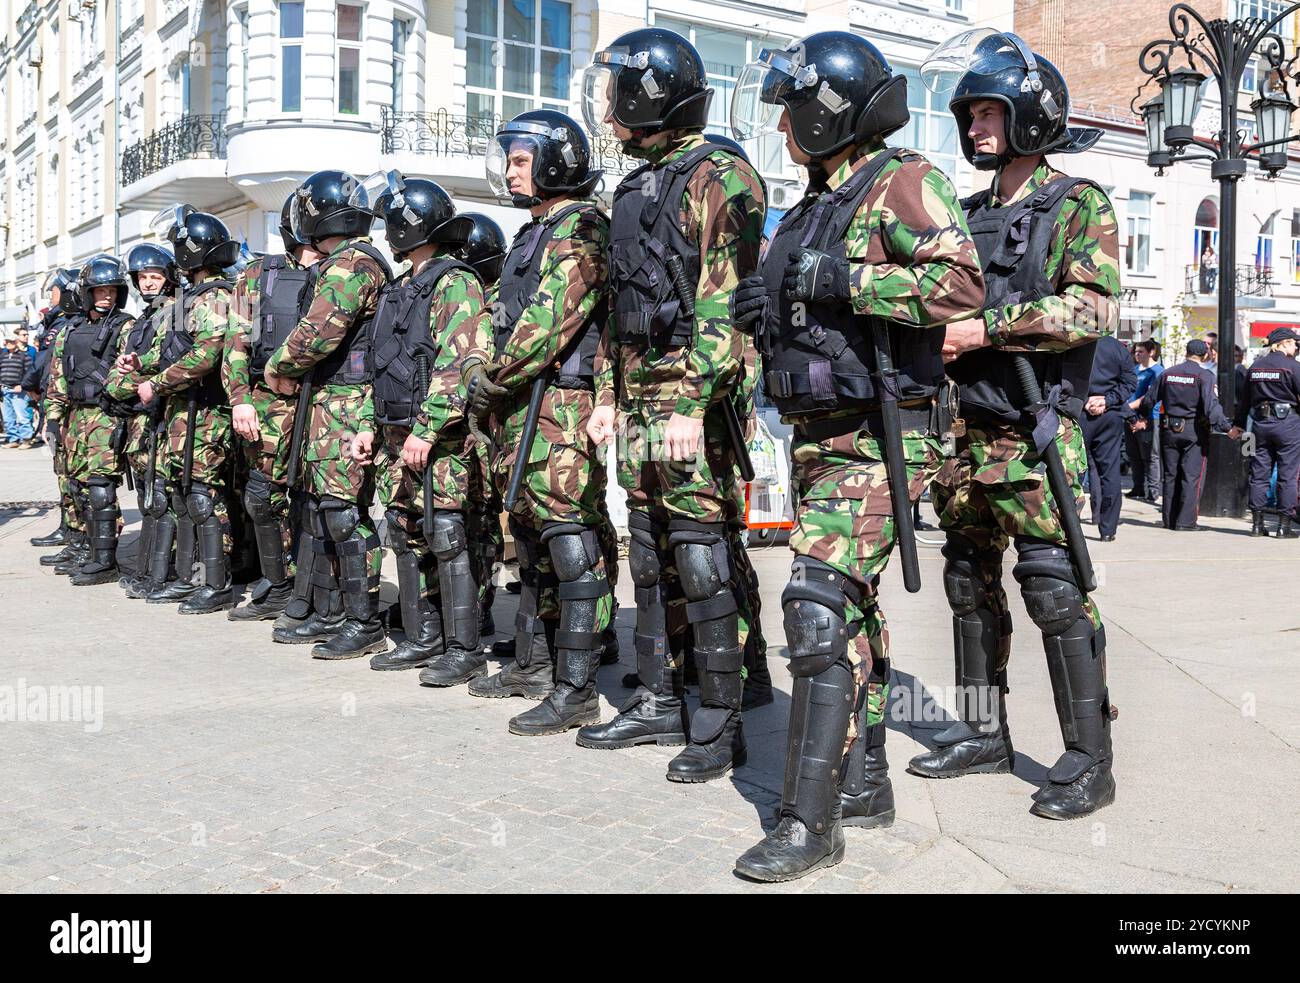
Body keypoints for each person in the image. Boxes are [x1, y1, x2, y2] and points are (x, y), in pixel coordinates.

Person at [726, 32, 984, 882]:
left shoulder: (902, 180)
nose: (782, 126)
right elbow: (801, 311)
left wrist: (847, 281)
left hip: (879, 432)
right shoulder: (807, 206)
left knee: (815, 607)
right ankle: (866, 780)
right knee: (853, 612)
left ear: (827, 108)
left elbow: (960, 287)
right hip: (814, 434)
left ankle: (810, 820)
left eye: (790, 110)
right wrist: (763, 308)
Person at [912, 28, 1122, 819]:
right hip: (964, 431)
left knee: (1054, 590)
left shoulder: (1077, 203)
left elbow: (1094, 305)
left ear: (1032, 114)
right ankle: (983, 731)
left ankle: (1088, 757)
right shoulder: (967, 214)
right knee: (967, 582)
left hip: (1035, 430)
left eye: (988, 112)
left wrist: (987, 329)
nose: (974, 128)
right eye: (969, 115)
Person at [574, 27, 766, 782]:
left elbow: (726, 303)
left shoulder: (720, 176)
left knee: (701, 553)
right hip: (639, 399)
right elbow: (619, 309)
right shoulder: (632, 187)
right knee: (650, 552)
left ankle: (720, 723)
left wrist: (691, 398)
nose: (604, 101)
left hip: (695, 397)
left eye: (614, 85)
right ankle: (659, 699)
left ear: (646, 94)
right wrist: (605, 396)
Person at [463, 110, 613, 734]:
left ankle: (578, 686)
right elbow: (492, 312)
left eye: (520, 160)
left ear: (555, 161)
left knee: (570, 541)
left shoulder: (583, 230)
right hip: (518, 405)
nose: (509, 170)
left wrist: (490, 374)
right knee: (531, 541)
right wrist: (476, 365)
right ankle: (540, 663)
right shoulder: (530, 234)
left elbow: (548, 323)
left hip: (561, 406)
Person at [354, 173, 491, 681]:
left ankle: (464, 649)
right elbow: (377, 366)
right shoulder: (399, 288)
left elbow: (460, 365)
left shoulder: (455, 282)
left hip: (440, 440)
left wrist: (428, 430)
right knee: (404, 532)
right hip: (395, 435)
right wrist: (370, 425)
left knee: (447, 534)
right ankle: (421, 637)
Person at [263, 170, 392, 659]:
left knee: (343, 514)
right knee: (321, 512)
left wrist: (279, 366)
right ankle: (333, 609)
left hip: (348, 403)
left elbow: (319, 332)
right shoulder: (347, 261)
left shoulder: (350, 265)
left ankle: (364, 621)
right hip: (330, 402)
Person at [132, 207, 242, 612]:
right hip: (181, 410)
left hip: (207, 410)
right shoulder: (190, 297)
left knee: (202, 496)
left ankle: (216, 583)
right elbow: (169, 350)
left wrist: (155, 383)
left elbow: (205, 356)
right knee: (182, 495)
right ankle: (187, 578)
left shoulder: (217, 296)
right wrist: (140, 367)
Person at [224, 194, 323, 623]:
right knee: (262, 497)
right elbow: (236, 340)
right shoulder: (257, 275)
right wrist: (240, 398)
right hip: (267, 402)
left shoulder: (340, 271)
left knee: (316, 502)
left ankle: (314, 589)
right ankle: (278, 582)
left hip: (323, 400)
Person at [43, 256, 136, 585]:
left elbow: (130, 370)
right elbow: (58, 378)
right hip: (74, 418)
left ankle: (105, 559)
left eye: (112, 290)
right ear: (86, 293)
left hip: (105, 417)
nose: (106, 296)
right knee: (77, 486)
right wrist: (53, 420)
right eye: (99, 290)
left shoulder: (126, 326)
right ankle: (84, 548)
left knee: (100, 488)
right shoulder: (69, 330)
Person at [103, 243, 182, 597]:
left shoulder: (175, 314)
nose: (148, 283)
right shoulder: (139, 322)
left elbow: (165, 368)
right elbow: (117, 374)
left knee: (162, 497)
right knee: (148, 500)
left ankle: (161, 574)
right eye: (143, 277)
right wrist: (124, 386)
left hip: (162, 420)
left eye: (155, 276)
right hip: (137, 425)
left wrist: (134, 383)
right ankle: (147, 570)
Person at [1138, 339, 1241, 530]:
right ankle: (1186, 522)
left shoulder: (1168, 373)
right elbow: (1212, 408)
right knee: (1192, 477)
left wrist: (1142, 419)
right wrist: (1228, 429)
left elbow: (1149, 399)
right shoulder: (1205, 376)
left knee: (1170, 475)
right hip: (1194, 431)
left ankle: (1169, 520)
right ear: (1204, 355)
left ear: (1186, 352)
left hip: (1169, 429)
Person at [31, 269, 84, 553]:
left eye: (54, 289)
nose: (51, 294)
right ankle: (69, 525)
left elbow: (45, 364)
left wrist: (30, 384)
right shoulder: (61, 323)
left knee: (70, 472)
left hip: (65, 409)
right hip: (56, 405)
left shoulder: (64, 325)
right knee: (63, 471)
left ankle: (74, 529)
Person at [1236, 327, 1300, 537]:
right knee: (1287, 475)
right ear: (1283, 343)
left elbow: (1244, 400)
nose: (1296, 346)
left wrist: (1238, 425)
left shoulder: (1255, 366)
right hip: (1288, 423)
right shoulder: (1292, 366)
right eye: (1293, 342)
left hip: (1259, 424)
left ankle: (1256, 524)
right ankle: (1284, 526)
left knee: (1259, 473)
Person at [1082, 334, 1136, 540]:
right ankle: (1108, 529)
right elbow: (1130, 382)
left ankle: (1068, 523)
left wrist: (1087, 401)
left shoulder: (1076, 343)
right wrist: (1107, 400)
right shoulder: (1117, 347)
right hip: (1110, 413)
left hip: (1081, 412)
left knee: (1073, 468)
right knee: (1110, 472)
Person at [1125, 339, 1163, 503]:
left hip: (1149, 418)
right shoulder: (1134, 370)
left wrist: (1141, 414)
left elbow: (1151, 397)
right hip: (1130, 416)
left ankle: (1153, 490)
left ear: (1151, 352)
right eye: (1135, 352)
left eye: (1141, 352)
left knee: (1150, 456)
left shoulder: (1158, 372)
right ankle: (1138, 487)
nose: (1137, 355)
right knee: (1134, 454)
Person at [1, 329, 35, 447]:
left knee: (22, 416)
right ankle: (13, 439)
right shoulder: (3, 356)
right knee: (8, 417)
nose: (8, 344)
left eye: (10, 341)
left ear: (16, 342)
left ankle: (26, 439)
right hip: (4, 390)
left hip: (18, 390)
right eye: (6, 342)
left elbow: (30, 373)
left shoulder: (24, 356)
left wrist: (22, 385)